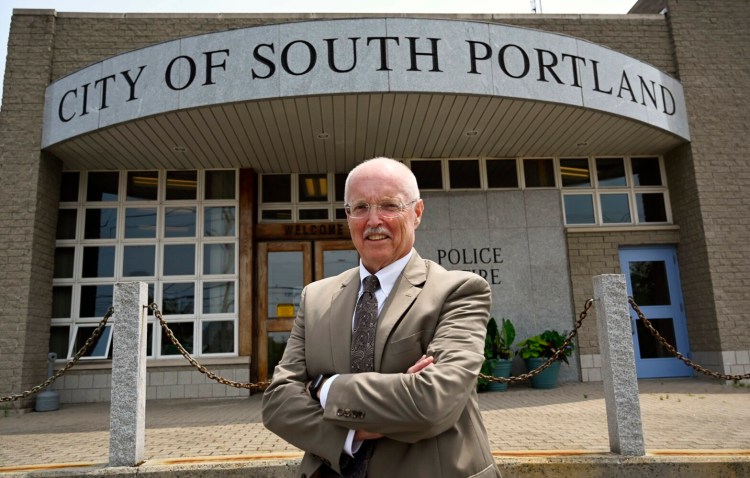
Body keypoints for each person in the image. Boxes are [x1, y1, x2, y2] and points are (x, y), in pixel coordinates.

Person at [262, 157, 500, 478]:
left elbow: (431, 403)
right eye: (360, 207)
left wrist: (324, 390)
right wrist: (349, 435)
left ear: (416, 213)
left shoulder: (458, 291)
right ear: (347, 216)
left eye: (389, 205)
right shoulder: (315, 298)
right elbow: (278, 403)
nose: (374, 220)